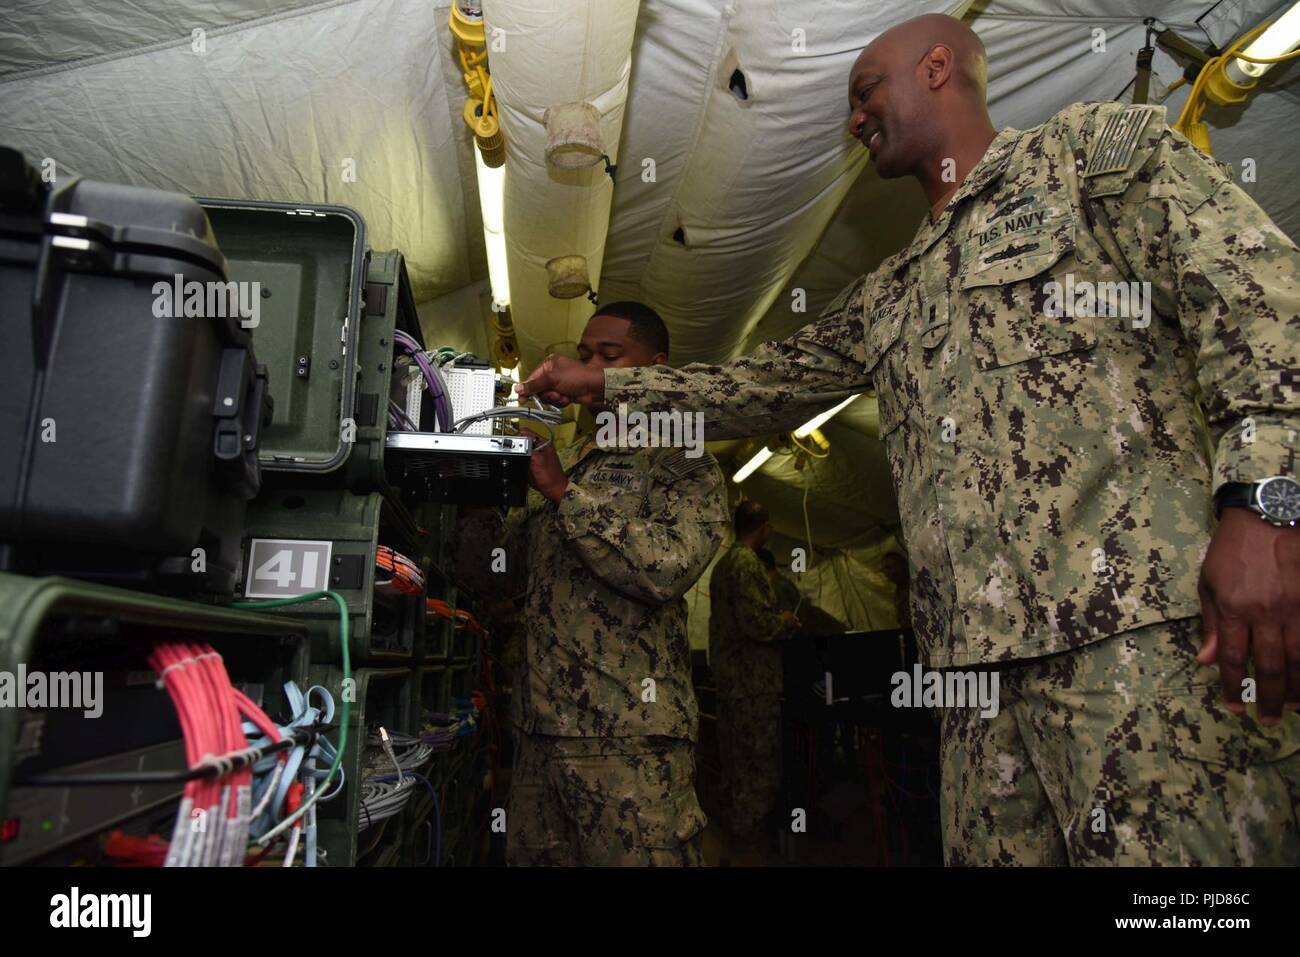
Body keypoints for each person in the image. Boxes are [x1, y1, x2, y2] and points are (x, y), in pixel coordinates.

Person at [517, 14, 1300, 865]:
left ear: (938, 67)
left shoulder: (1086, 161)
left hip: (1136, 653)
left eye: (864, 93)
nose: (855, 119)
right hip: (972, 687)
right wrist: (610, 384)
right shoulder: (890, 290)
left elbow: (1259, 301)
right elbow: (758, 385)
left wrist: (1265, 500)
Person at [503, 301, 729, 866]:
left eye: (608, 356)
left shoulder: (682, 458)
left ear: (653, 368)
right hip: (539, 732)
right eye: (583, 356)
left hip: (628, 736)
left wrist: (565, 495)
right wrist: (484, 484)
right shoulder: (563, 457)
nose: (587, 368)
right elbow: (495, 574)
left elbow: (668, 569)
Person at [709, 501, 799, 845]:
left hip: (733, 680)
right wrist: (785, 621)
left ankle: (736, 824)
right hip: (752, 682)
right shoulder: (746, 564)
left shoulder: (723, 565)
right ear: (763, 528)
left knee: (735, 758)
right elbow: (756, 623)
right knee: (758, 761)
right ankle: (749, 834)